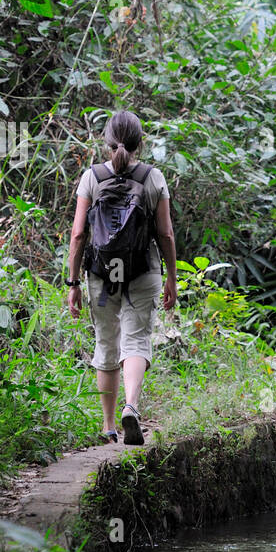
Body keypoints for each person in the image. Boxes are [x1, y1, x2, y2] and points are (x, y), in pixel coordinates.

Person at [65, 110, 178, 444]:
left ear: (107, 140)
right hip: (142, 271)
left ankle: (109, 426)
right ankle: (132, 405)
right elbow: (166, 234)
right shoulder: (153, 177)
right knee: (137, 340)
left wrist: (72, 283)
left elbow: (77, 234)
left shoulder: (92, 177)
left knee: (106, 342)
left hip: (101, 273)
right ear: (140, 142)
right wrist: (172, 277)